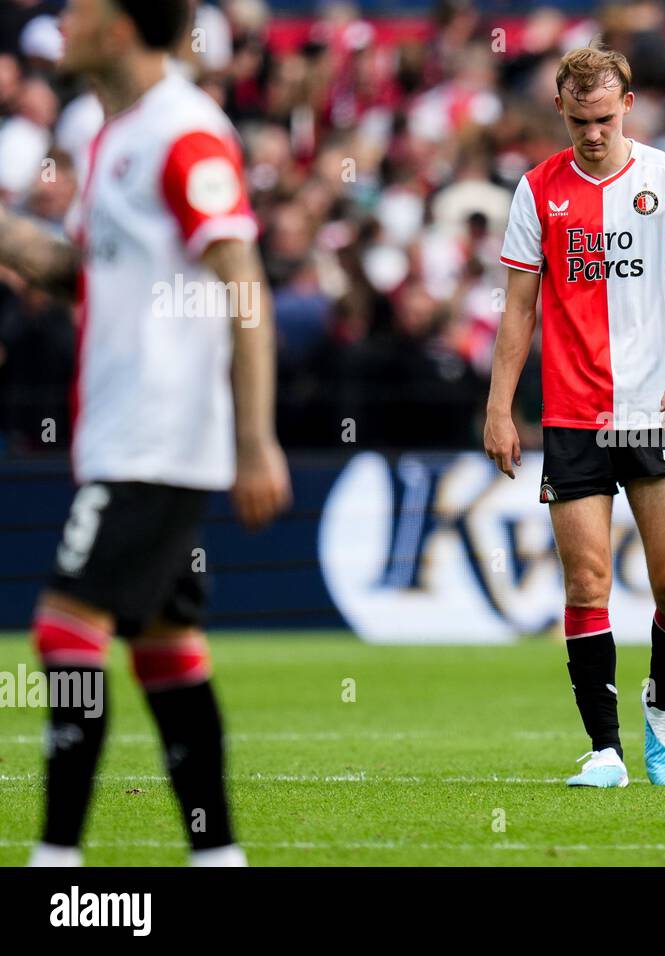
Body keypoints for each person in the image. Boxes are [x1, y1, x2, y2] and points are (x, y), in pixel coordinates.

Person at [0, 0, 291, 866]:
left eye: (81, 8)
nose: (64, 22)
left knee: (63, 632)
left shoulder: (185, 134)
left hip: (161, 430)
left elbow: (242, 280)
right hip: (125, 429)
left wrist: (254, 439)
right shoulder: (109, 130)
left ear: (122, 27)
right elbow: (74, 269)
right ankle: (219, 857)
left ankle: (56, 864)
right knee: (166, 652)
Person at [484, 45, 665, 788]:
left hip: (658, 410)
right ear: (561, 109)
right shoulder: (537, 192)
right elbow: (519, 308)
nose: (592, 133)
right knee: (587, 585)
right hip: (575, 414)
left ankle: (662, 703)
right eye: (580, 119)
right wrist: (498, 407)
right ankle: (606, 751)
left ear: (630, 106)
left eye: (605, 118)